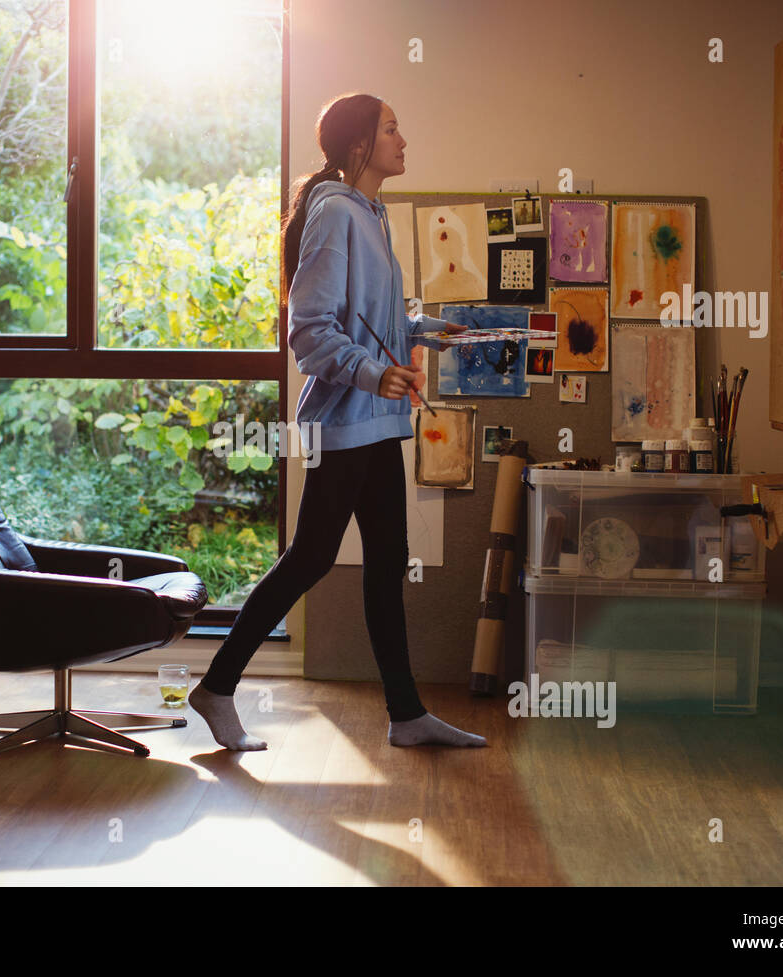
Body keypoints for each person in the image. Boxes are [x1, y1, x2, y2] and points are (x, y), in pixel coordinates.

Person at [189, 92, 488, 751]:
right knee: (309, 559)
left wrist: (431, 331)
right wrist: (374, 373)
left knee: (386, 561)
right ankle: (216, 687)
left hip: (376, 423)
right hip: (340, 426)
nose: (403, 138)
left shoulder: (371, 213)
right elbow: (311, 334)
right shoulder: (334, 215)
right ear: (359, 145)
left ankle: (407, 714)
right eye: (391, 127)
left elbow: (370, 322)